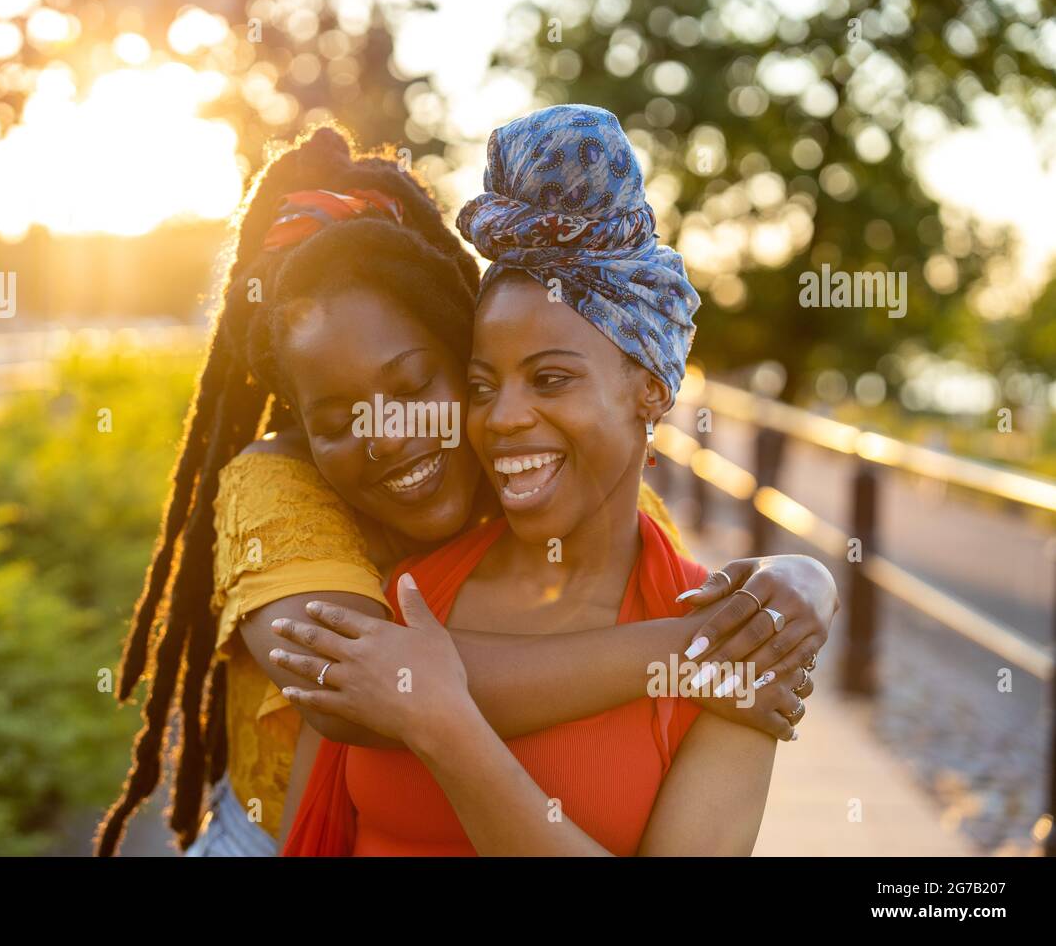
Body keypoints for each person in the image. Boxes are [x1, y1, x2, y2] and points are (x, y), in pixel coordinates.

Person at [95, 124, 836, 857]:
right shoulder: (329, 524)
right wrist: (690, 656)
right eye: (493, 387)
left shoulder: (573, 502)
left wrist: (802, 576)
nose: (386, 432)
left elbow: (619, 540)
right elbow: (357, 685)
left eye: (418, 385)